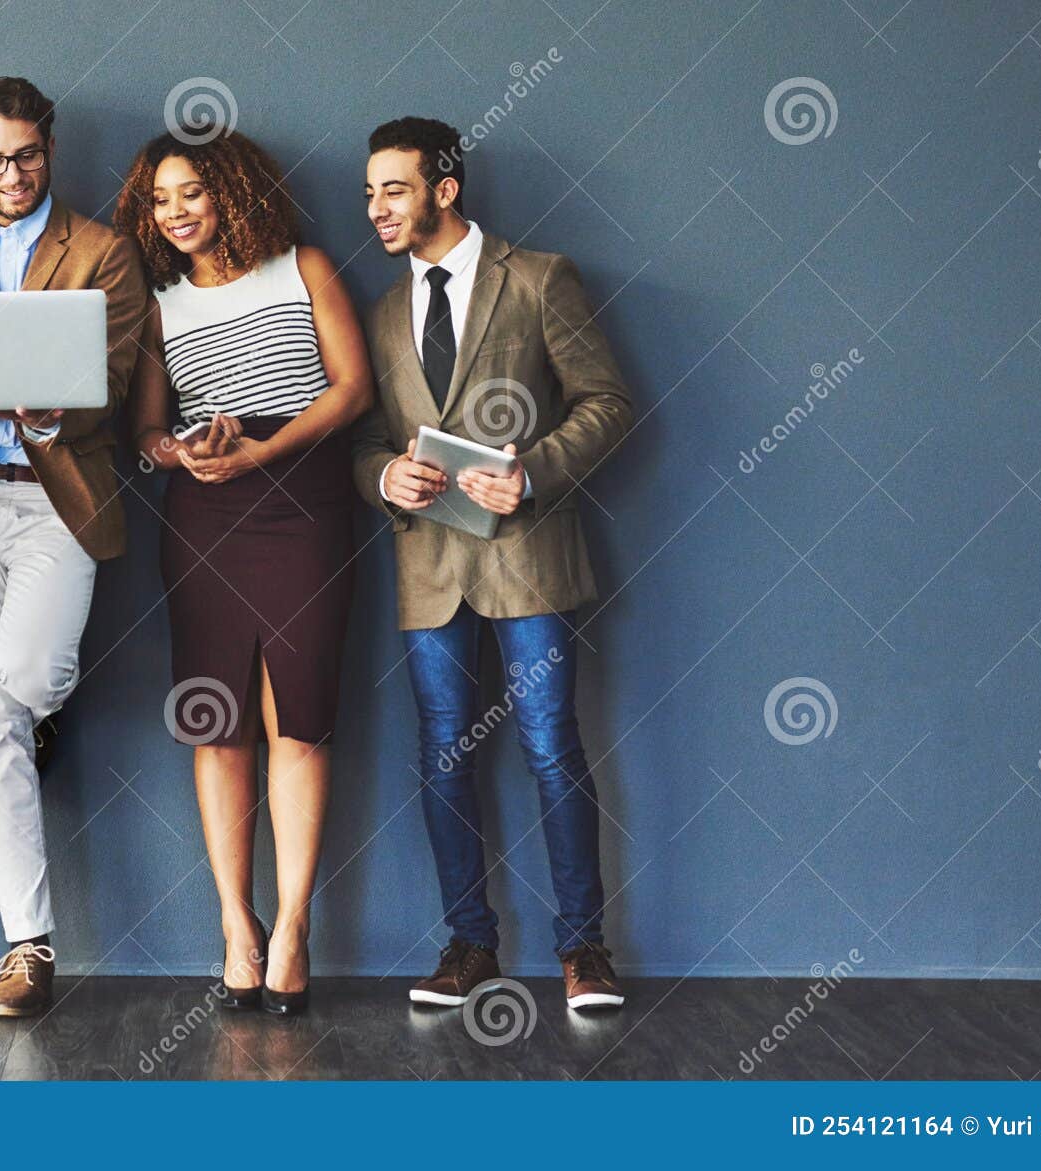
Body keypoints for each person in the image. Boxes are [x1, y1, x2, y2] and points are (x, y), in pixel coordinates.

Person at [354, 117, 632, 1010]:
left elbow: (609, 402)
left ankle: (584, 949)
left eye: (393, 190)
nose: (376, 209)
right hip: (430, 567)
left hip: (529, 559)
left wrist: (535, 470)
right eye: (369, 193)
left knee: (553, 748)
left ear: (445, 187)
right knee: (443, 758)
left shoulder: (541, 278)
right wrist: (384, 475)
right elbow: (364, 443)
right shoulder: (379, 310)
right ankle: (470, 944)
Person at [0, 77, 149, 1017]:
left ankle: (42, 704)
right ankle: (28, 946)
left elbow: (117, 377)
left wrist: (57, 404)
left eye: (29, 153)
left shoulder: (102, 250)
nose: (13, 173)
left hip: (60, 499)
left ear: (50, 147)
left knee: (25, 678)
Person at [120, 127, 373, 1015]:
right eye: (159, 199)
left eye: (190, 191)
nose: (175, 212)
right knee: (217, 721)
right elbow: (148, 433)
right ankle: (237, 924)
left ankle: (295, 926)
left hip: (303, 502)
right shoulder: (158, 303)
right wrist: (179, 450)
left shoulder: (303, 266)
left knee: (296, 718)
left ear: (233, 190)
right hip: (203, 514)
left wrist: (265, 450)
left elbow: (351, 391)